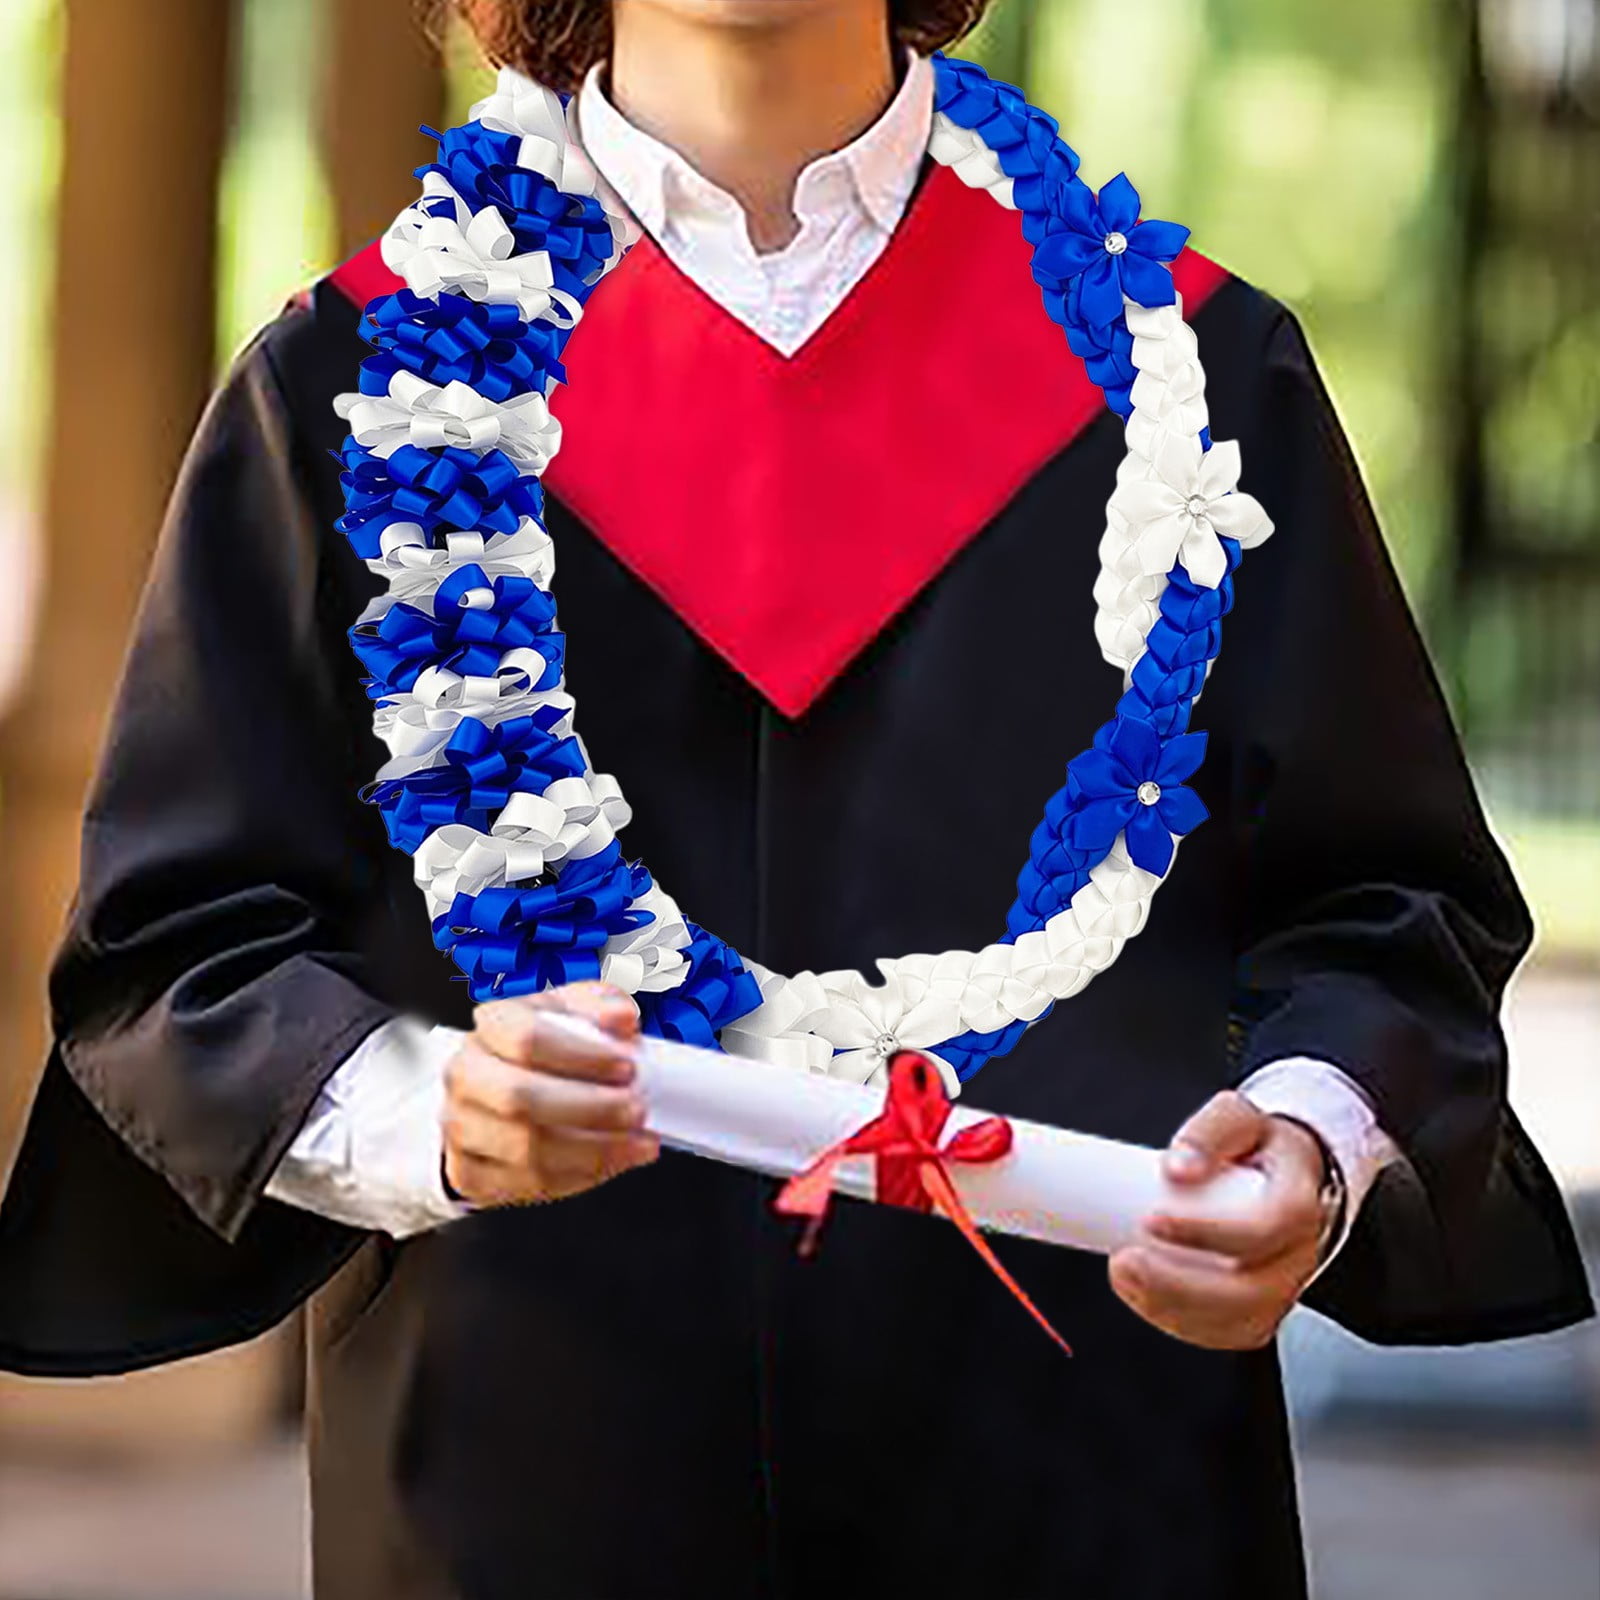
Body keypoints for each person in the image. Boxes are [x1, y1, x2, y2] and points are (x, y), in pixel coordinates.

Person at [0, 2, 1591, 1596]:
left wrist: (1308, 1148)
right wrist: (432, 1114)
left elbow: (1383, 908)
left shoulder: (1186, 377)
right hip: (533, 1486)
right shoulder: (351, 390)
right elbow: (180, 953)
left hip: (1094, 1482)